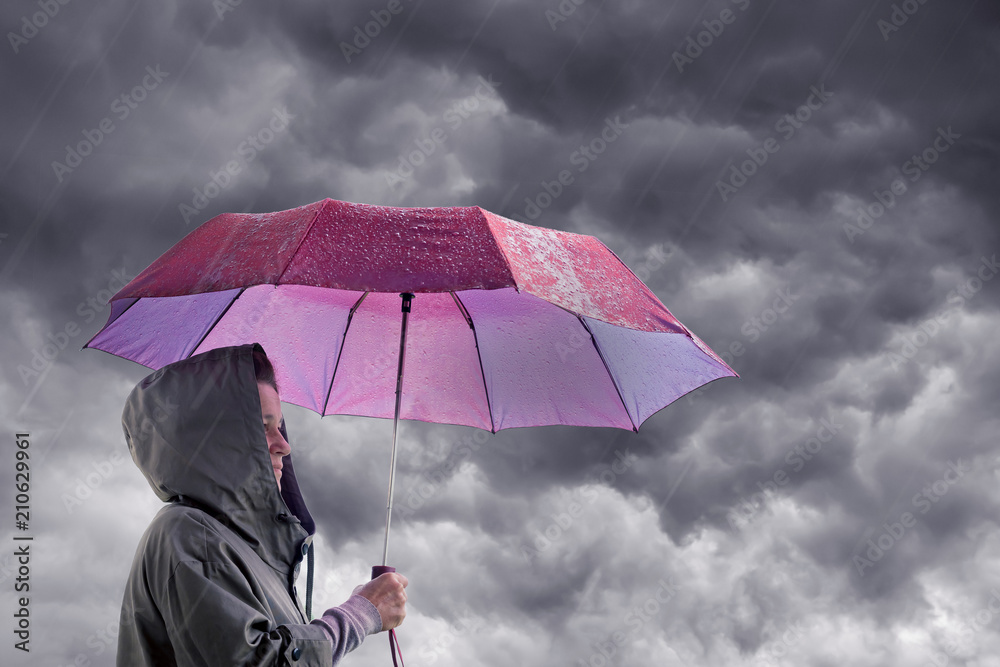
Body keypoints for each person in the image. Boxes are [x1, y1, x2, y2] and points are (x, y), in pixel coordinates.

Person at [116, 343, 407, 666]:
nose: (284, 445)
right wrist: (361, 614)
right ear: (214, 438)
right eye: (262, 428)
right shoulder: (188, 533)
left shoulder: (242, 548)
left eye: (279, 426)